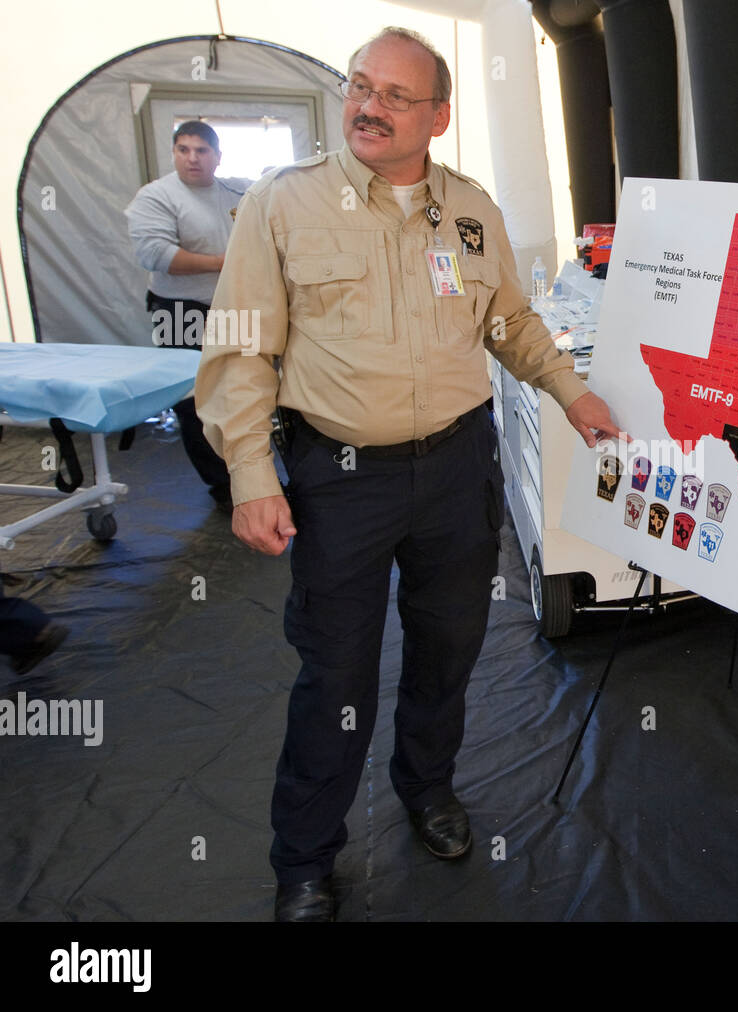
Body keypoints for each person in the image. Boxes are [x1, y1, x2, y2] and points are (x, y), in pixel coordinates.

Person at [194, 26, 619, 922]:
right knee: (335, 671)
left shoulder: (470, 210)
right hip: (340, 477)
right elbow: (239, 350)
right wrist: (247, 471)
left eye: (394, 95)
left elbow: (508, 323)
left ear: (438, 116)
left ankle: (427, 792)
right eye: (359, 86)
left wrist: (572, 393)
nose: (368, 105)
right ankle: (305, 859)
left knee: (448, 648)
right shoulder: (283, 205)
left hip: (459, 469)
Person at [126, 121, 249, 512]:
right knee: (195, 403)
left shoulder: (237, 190)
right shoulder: (156, 196)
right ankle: (224, 488)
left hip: (232, 306)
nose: (192, 158)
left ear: (217, 155)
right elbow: (155, 256)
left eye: (201, 150)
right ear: (174, 152)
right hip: (179, 310)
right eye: (184, 149)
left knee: (242, 393)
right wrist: (223, 263)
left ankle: (252, 479)